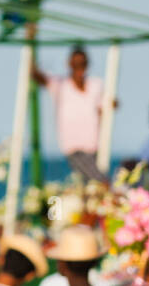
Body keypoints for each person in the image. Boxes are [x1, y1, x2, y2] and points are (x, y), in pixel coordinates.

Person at [30, 37, 107, 183]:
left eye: (81, 64)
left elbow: (103, 108)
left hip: (92, 144)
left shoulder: (96, 85)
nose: (78, 67)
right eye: (75, 64)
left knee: (92, 182)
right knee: (97, 180)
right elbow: (39, 77)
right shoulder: (60, 85)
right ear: (69, 64)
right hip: (72, 145)